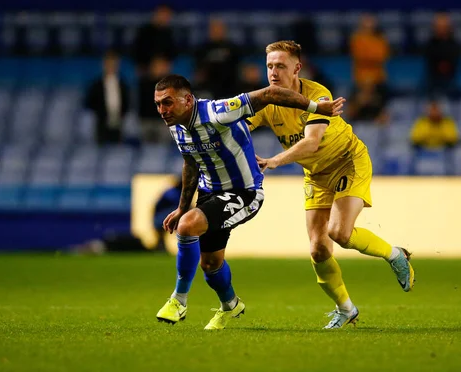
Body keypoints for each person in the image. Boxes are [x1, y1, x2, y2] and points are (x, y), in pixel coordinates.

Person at [153, 74, 344, 330]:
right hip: (211, 195)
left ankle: (179, 299)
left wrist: (315, 107)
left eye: (167, 103)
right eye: (158, 104)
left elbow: (270, 94)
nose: (162, 110)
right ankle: (231, 305)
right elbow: (190, 163)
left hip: (245, 193)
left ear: (188, 100)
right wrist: (182, 206)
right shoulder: (177, 127)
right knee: (210, 264)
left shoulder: (218, 112)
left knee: (188, 226)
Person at [250, 40, 415, 329]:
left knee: (339, 232)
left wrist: (275, 161)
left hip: (347, 160)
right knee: (318, 249)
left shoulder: (317, 94)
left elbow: (312, 143)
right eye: (269, 66)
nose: (273, 73)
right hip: (316, 175)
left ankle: (394, 255)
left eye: (280, 66)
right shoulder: (267, 102)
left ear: (297, 68)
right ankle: (346, 309)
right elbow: (235, 125)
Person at [84, 50, 129, 144]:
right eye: (108, 63)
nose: (111, 66)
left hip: (119, 124)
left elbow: (127, 102)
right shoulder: (96, 85)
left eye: (113, 63)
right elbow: (89, 103)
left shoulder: (123, 84)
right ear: (104, 64)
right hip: (101, 124)